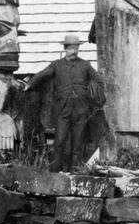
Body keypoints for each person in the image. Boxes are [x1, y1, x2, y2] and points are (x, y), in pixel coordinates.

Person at [24, 33, 104, 172]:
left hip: (81, 109)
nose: (75, 51)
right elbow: (43, 74)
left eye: (76, 48)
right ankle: (56, 170)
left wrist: (91, 85)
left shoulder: (85, 65)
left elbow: (99, 81)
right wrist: (29, 84)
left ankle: (76, 171)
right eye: (72, 48)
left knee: (77, 142)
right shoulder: (57, 65)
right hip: (63, 109)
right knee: (60, 141)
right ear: (66, 49)